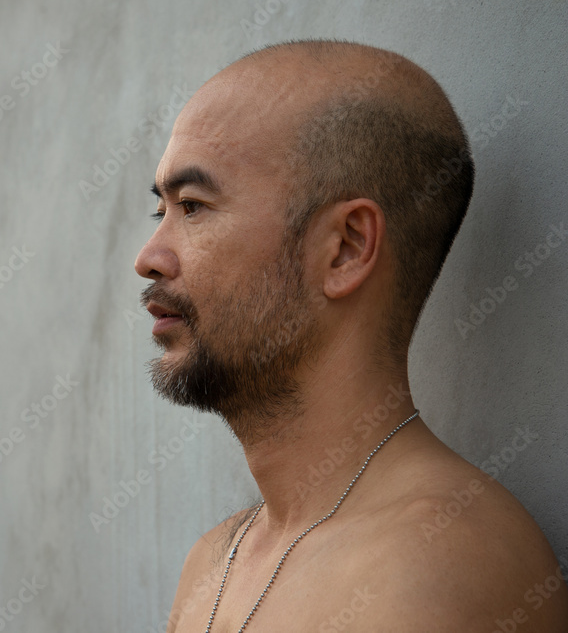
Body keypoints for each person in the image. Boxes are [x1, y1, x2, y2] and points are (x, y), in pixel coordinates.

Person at [133, 39, 568, 632]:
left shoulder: (435, 563)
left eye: (192, 206)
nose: (148, 258)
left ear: (346, 249)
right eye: (160, 212)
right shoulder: (215, 562)